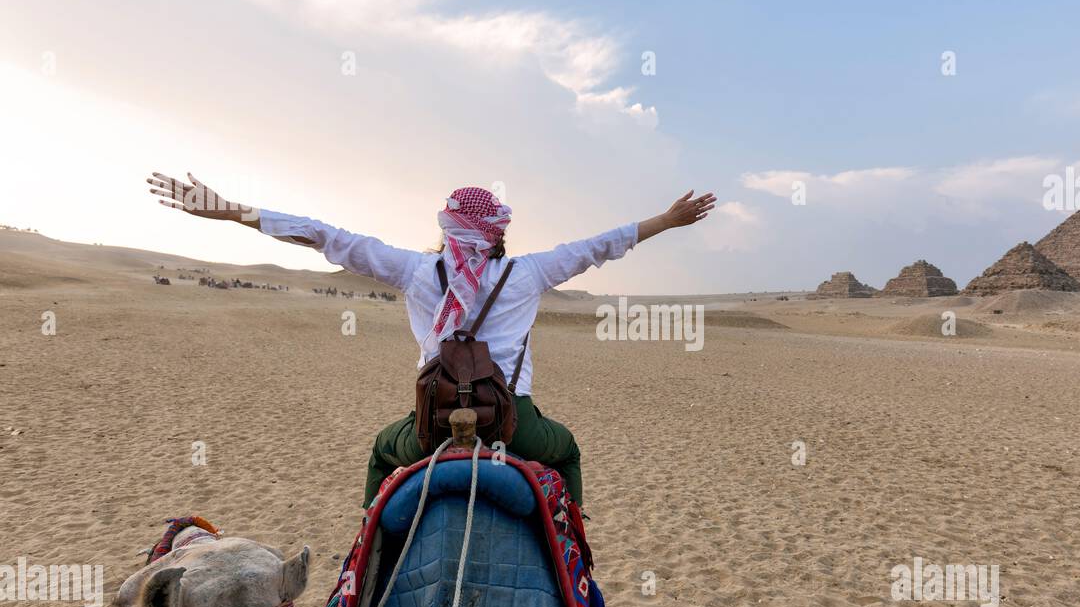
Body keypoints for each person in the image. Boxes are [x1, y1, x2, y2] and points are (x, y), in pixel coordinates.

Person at [146, 172, 714, 508]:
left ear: (446, 229)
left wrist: (231, 212)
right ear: (498, 235)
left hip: (430, 423)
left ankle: (366, 559)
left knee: (379, 453)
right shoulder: (530, 272)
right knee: (565, 452)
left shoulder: (416, 272)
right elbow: (602, 245)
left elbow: (326, 238)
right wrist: (666, 220)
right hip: (514, 423)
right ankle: (573, 552)